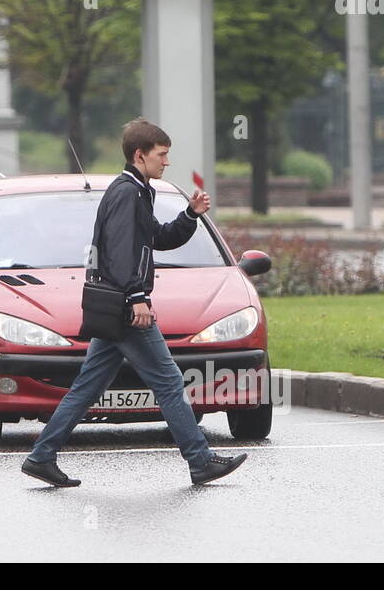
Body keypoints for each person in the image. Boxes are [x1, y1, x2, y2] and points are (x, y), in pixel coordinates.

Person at [21, 119, 249, 487]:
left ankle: (41, 456)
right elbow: (122, 251)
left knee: (88, 386)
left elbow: (155, 238)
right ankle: (200, 461)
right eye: (162, 155)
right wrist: (137, 297)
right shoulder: (127, 193)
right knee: (170, 381)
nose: (167, 162)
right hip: (125, 307)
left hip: (114, 304)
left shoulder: (139, 191)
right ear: (139, 155)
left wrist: (190, 216)